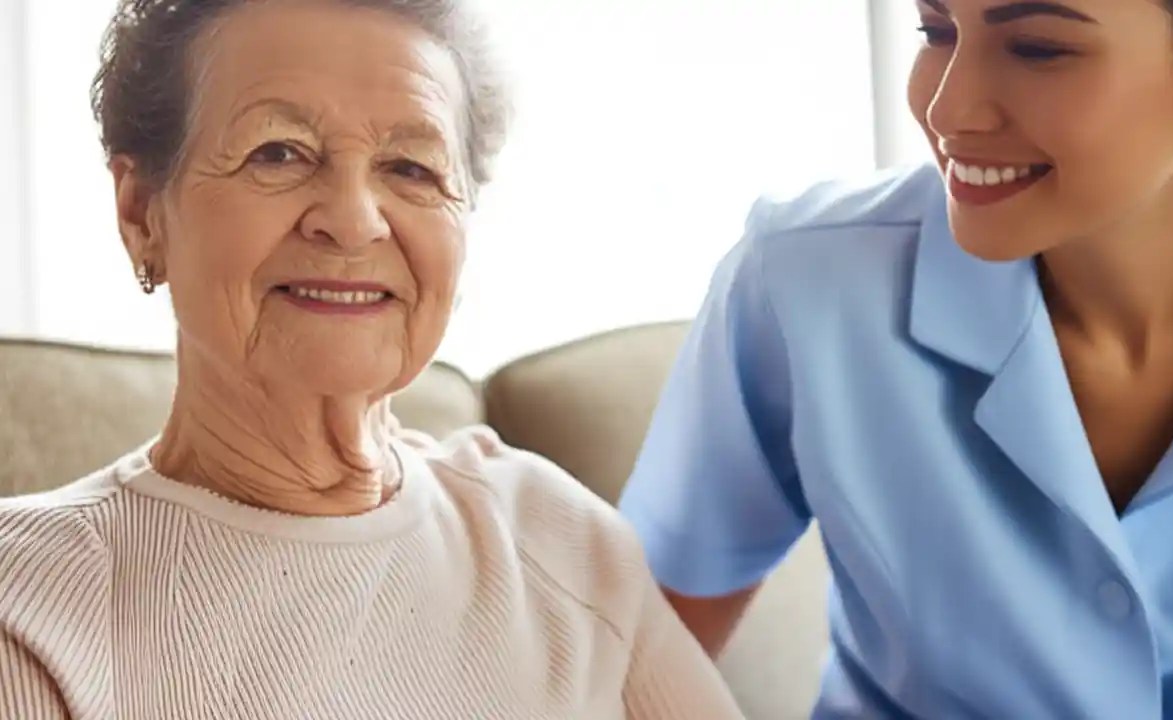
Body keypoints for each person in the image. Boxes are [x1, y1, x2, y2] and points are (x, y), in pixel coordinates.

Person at [0, 1, 743, 718]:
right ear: (141, 214)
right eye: (279, 153)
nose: (354, 223)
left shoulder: (558, 538)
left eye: (412, 168)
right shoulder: (30, 607)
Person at [619, 0, 1173, 717]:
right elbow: (626, 660)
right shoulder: (805, 280)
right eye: (936, 31)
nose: (945, 107)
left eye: (1035, 48)